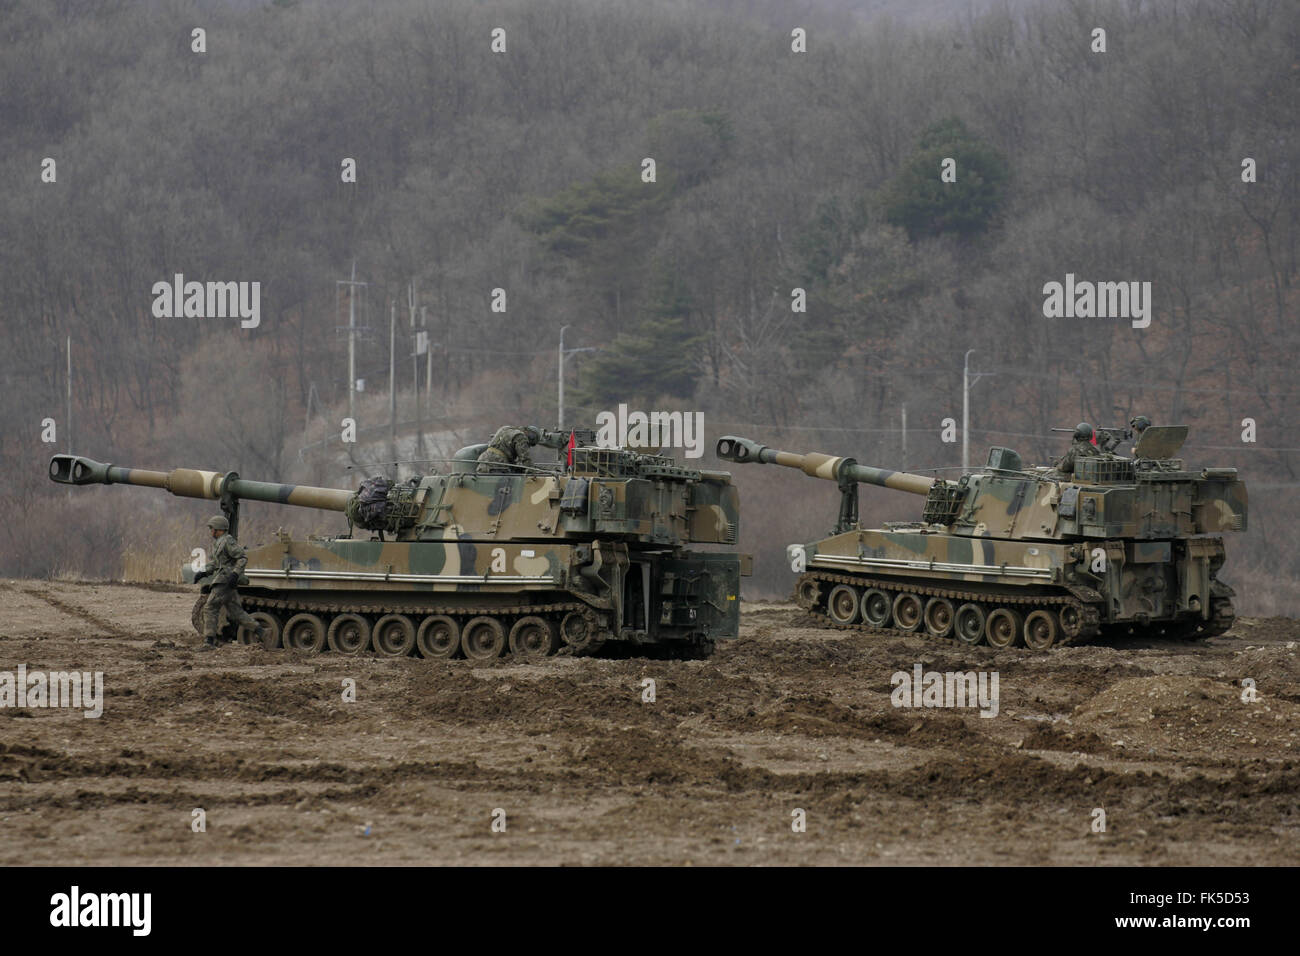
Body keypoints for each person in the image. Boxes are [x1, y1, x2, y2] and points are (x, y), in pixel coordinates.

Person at [196, 515, 265, 650]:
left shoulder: (227, 541)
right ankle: (261, 632)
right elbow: (217, 563)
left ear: (218, 529)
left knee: (210, 607)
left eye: (212, 529)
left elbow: (242, 557)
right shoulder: (219, 543)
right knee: (236, 612)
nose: (211, 532)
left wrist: (235, 574)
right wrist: (204, 572)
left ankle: (209, 642)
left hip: (224, 580)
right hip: (224, 580)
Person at [476, 425, 542, 474]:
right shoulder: (521, 437)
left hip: (484, 460)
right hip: (498, 465)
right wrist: (533, 471)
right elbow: (525, 459)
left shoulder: (505, 428)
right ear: (532, 437)